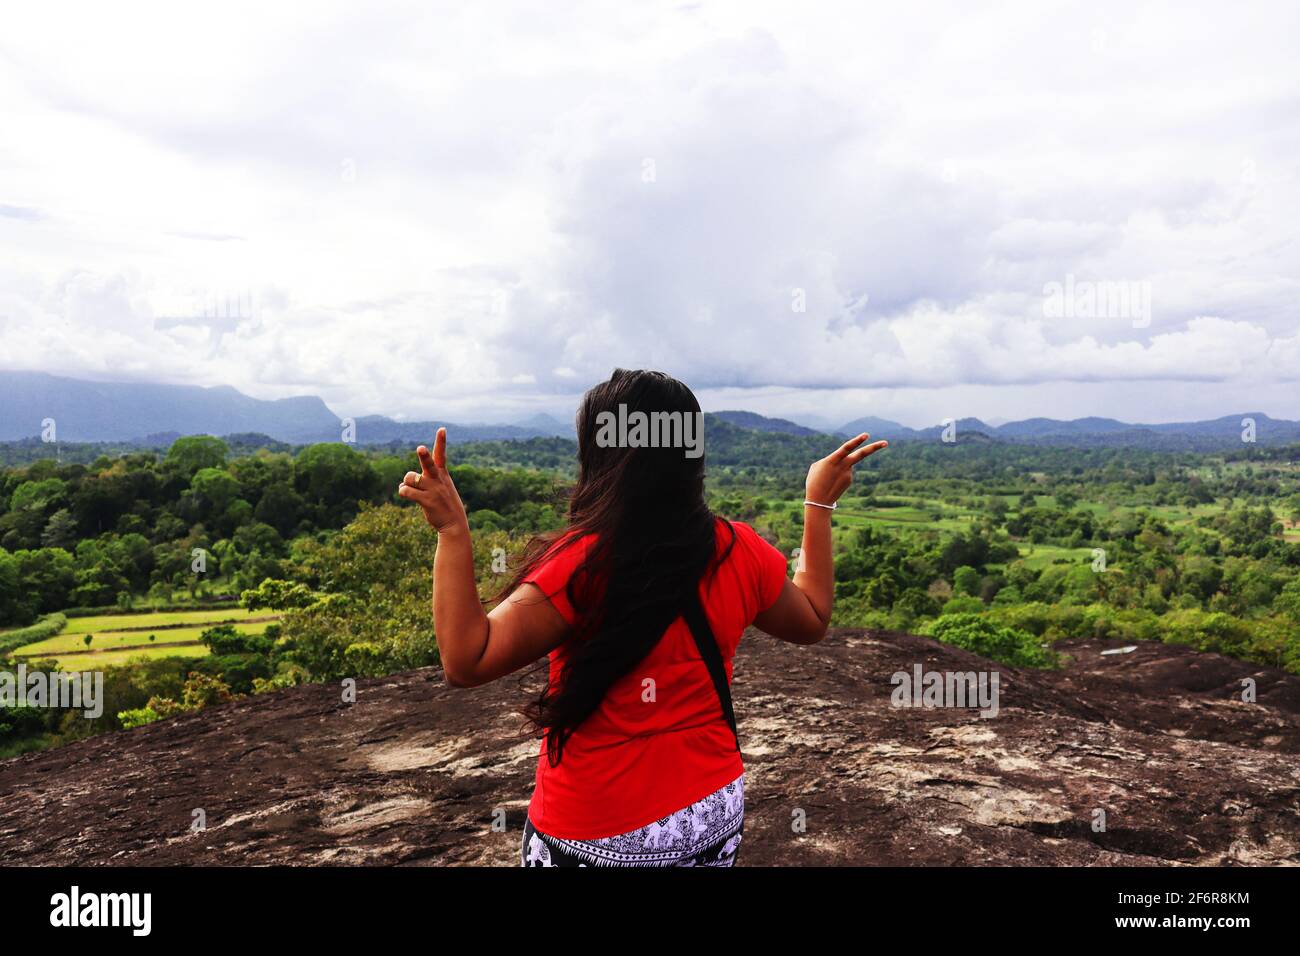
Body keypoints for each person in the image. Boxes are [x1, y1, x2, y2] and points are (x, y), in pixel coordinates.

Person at [397, 369, 887, 866]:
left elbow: (467, 659)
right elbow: (812, 618)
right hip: (709, 814)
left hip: (593, 829)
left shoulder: (581, 563)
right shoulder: (738, 549)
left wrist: (452, 530)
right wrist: (818, 503)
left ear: (601, 457)